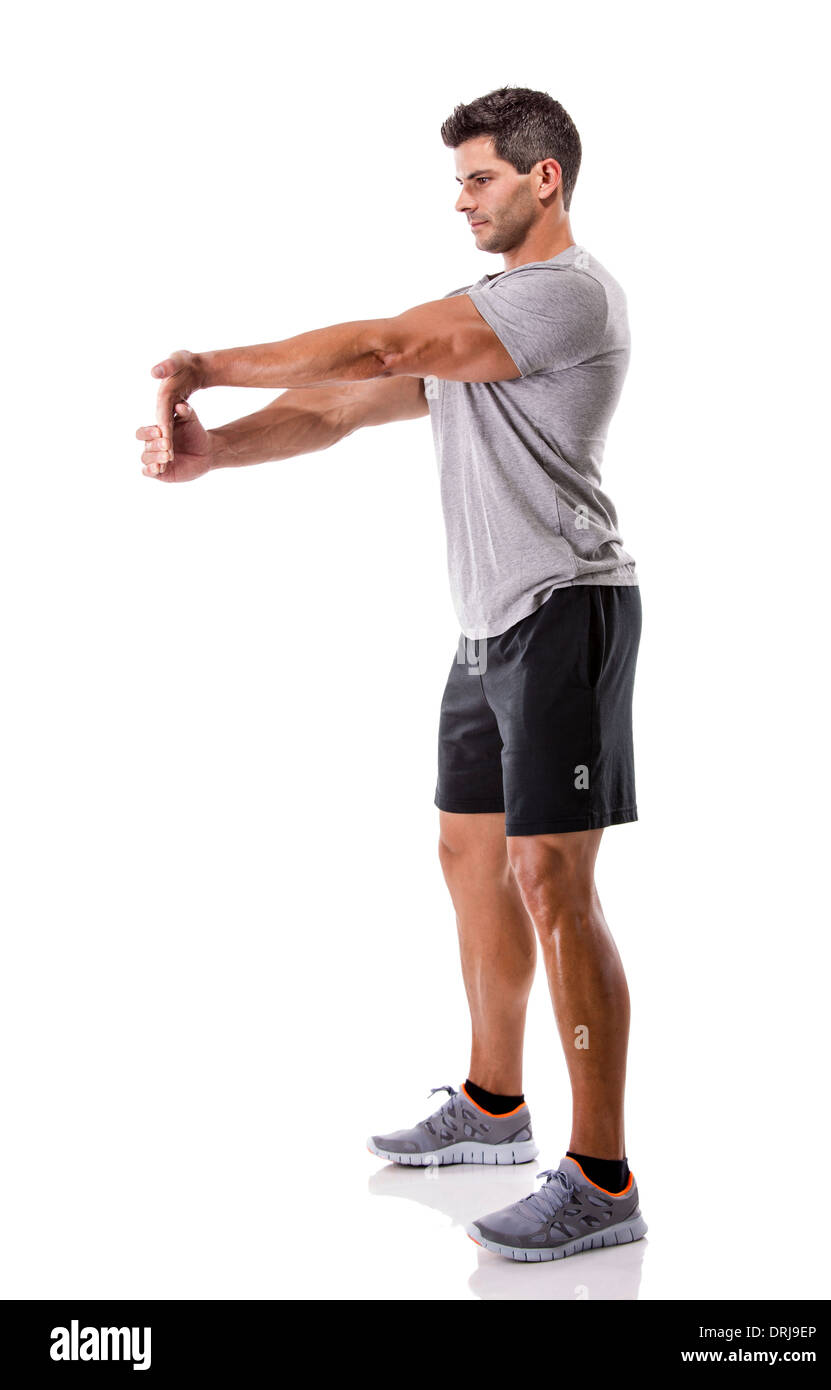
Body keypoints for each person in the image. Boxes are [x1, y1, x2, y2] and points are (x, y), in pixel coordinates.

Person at [135, 85, 647, 1263]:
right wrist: (219, 449)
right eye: (457, 181)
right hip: (484, 630)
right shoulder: (484, 319)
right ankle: (491, 1104)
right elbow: (342, 403)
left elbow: (386, 343)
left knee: (550, 881)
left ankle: (604, 1175)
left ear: (543, 180)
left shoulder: (560, 296)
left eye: (478, 178)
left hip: (566, 613)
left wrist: (206, 363)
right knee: (469, 853)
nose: (460, 199)